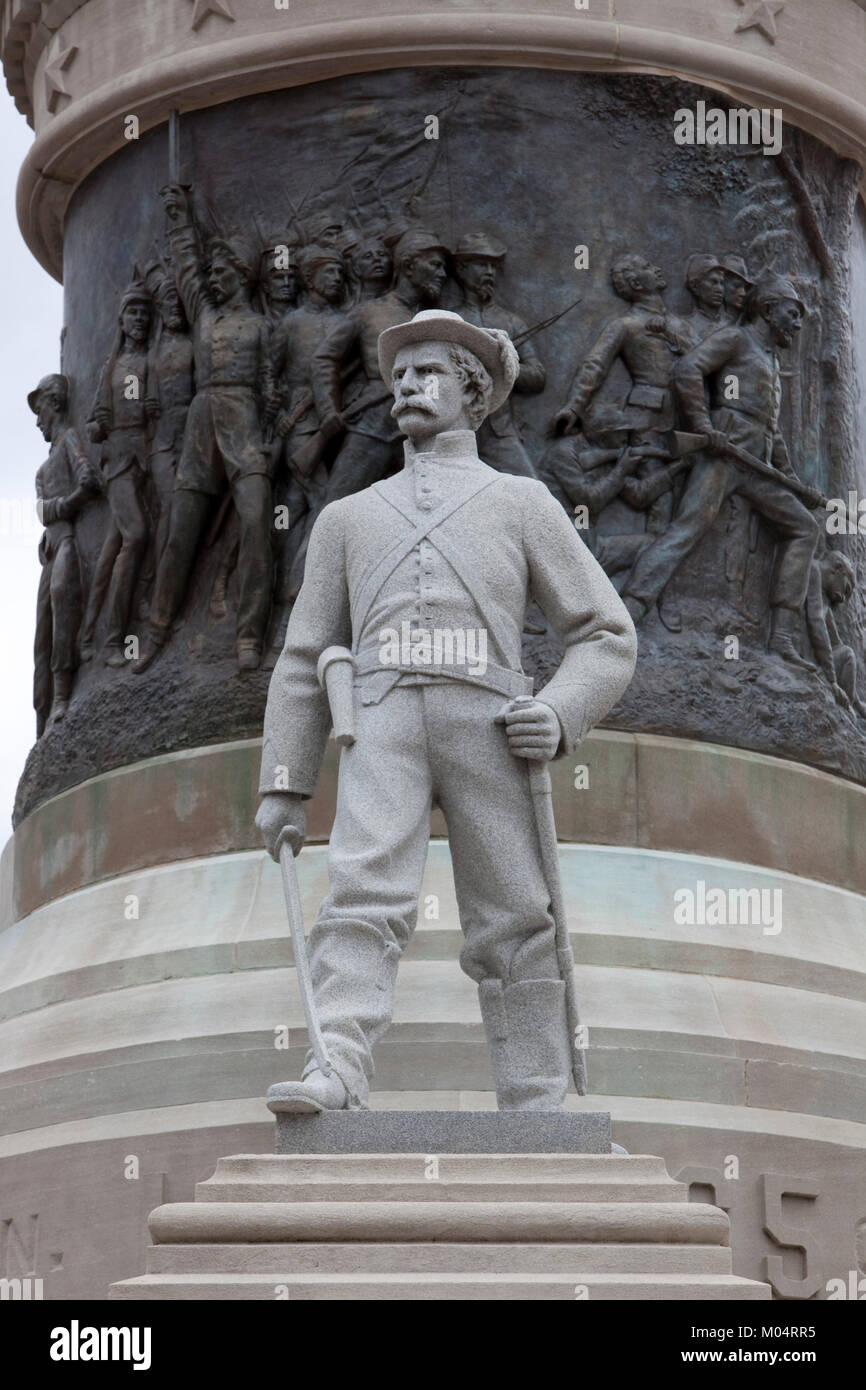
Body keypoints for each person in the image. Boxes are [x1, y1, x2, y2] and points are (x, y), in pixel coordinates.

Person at [256, 309, 637, 1112]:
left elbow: (605, 633)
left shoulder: (523, 503)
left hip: (493, 728)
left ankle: (536, 1094)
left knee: (514, 914)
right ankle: (339, 1065)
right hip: (380, 723)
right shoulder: (347, 519)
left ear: (473, 395)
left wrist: (561, 713)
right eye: (397, 378)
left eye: (427, 374)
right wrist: (284, 785)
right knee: (360, 894)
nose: (406, 387)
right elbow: (302, 657)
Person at [620, 273, 821, 668]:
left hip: (755, 460)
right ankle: (629, 612)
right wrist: (704, 427)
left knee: (804, 527)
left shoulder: (769, 356)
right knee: (690, 525)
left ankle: (781, 636)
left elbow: (770, 427)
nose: (798, 324)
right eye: (792, 314)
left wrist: (791, 478)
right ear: (767, 310)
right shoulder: (736, 339)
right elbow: (687, 371)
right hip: (725, 451)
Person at [133, 184, 275, 673]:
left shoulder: (262, 327)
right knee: (179, 531)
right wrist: (179, 218)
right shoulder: (205, 316)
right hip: (200, 426)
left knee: (258, 523)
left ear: (240, 274)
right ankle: (156, 628)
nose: (213, 277)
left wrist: (271, 442)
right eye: (212, 270)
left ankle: (250, 633)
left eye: (222, 270)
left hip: (247, 426)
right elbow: (187, 268)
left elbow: (275, 389)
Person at [29, 373, 100, 733]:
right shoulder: (42, 470)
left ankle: (62, 696)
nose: (37, 419)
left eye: (40, 409)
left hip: (69, 545)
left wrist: (65, 505)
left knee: (62, 605)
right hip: (52, 549)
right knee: (41, 636)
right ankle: (42, 717)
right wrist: (67, 503)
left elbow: (88, 478)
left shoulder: (71, 440)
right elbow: (43, 511)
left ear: (54, 403)